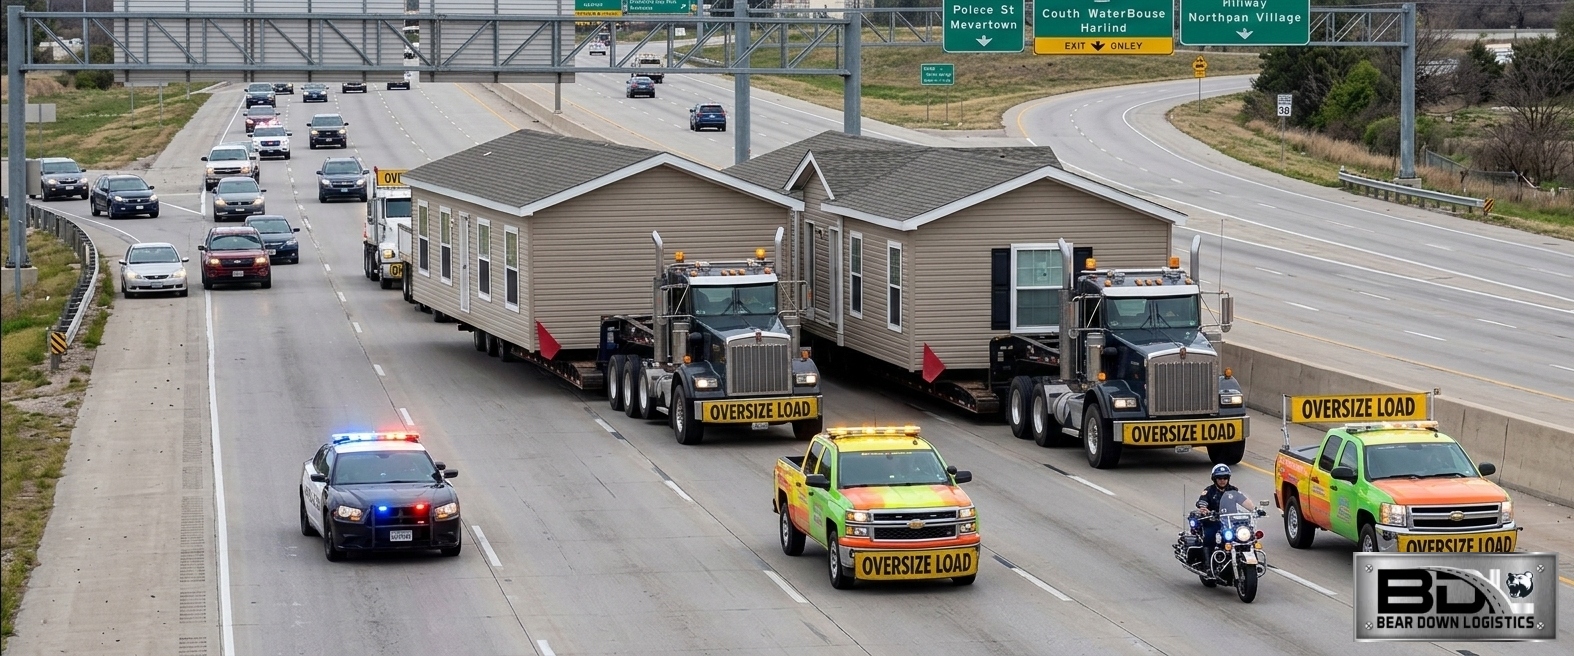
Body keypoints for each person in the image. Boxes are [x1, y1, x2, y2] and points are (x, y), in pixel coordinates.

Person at [1193, 464, 1258, 573]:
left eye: (1225, 478)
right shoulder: (1209, 491)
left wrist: (1255, 510)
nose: (1223, 480)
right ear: (1214, 479)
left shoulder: (1233, 490)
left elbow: (1244, 501)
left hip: (1231, 522)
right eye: (1220, 478)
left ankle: (1252, 562)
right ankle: (1208, 565)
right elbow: (1202, 503)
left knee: (1249, 536)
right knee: (1209, 536)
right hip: (1214, 522)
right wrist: (1205, 510)